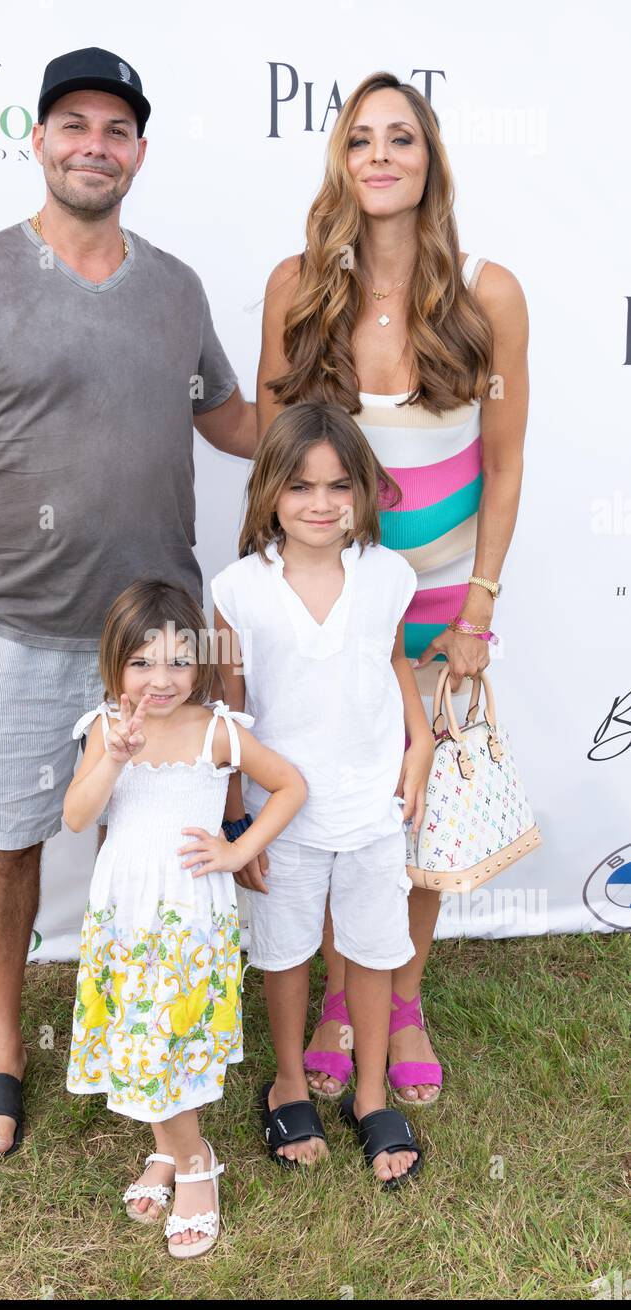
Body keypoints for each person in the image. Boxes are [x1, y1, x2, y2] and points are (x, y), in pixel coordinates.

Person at [0, 47, 256, 1158]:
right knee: (7, 841)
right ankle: (2, 1045)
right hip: (9, 625)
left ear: (139, 151)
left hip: (156, 640)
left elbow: (228, 418)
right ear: (37, 141)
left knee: (163, 839)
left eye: (116, 128)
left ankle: (161, 1034)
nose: (95, 144)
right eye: (74, 124)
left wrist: (336, 422)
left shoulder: (175, 289)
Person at [255, 71, 529, 1105]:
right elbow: (274, 454)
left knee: (415, 819)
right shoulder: (297, 286)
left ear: (428, 160)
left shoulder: (486, 293)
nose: (379, 155)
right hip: (326, 603)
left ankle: (400, 999)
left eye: (399, 139)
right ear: (340, 161)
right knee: (333, 802)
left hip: (436, 606)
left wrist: (479, 605)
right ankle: (336, 998)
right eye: (360, 139)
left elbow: (501, 465)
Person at [211, 402, 433, 1186]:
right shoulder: (237, 589)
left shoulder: (387, 575)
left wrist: (423, 740)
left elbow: (395, 660)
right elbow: (229, 710)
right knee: (285, 953)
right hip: (282, 816)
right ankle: (289, 1082)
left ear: (363, 493)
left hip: (372, 805)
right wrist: (237, 817)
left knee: (373, 949)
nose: (320, 504)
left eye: (340, 486)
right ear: (270, 490)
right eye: (301, 486)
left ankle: (370, 1093)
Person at [63, 579, 306, 1255]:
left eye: (176, 660)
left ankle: (195, 1163)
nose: (159, 679)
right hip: (126, 915)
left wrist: (238, 851)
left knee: (170, 1034)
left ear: (199, 662)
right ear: (114, 664)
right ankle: (169, 1152)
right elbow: (78, 816)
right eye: (142, 662)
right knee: (141, 1036)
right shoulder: (107, 730)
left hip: (189, 919)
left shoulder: (217, 731)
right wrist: (112, 758)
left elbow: (291, 786)